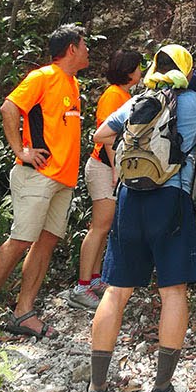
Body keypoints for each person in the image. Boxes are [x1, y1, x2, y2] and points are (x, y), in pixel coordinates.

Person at [84, 44, 196, 392]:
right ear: (185, 70)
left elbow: (100, 134)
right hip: (171, 202)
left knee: (116, 291)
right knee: (173, 292)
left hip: (130, 199)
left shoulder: (136, 102)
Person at [0, 24, 90, 338]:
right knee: (21, 241)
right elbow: (9, 107)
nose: (88, 51)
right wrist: (20, 150)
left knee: (46, 242)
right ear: (71, 48)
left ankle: (24, 312)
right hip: (37, 175)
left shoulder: (73, 83)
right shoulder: (42, 76)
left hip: (63, 179)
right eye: (85, 45)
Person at [64, 49, 143, 310]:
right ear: (129, 70)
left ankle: (95, 279)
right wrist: (116, 170)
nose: (141, 72)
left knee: (104, 225)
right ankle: (82, 286)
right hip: (103, 167)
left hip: (110, 167)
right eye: (138, 67)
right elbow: (109, 136)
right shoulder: (113, 95)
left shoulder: (124, 95)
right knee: (99, 226)